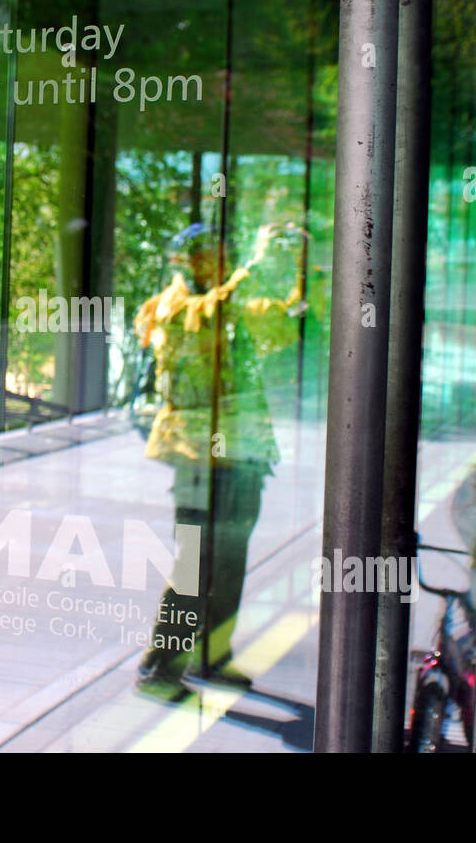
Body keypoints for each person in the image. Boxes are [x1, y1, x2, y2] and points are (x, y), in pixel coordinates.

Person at [134, 219, 305, 701]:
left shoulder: (229, 298)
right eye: (216, 255)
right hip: (196, 458)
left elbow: (279, 323)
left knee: (229, 563)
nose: (224, 262)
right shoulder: (175, 304)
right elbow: (210, 313)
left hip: (242, 453)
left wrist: (297, 273)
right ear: (192, 261)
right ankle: (159, 666)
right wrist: (255, 264)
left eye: (227, 255)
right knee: (195, 564)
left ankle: (212, 656)